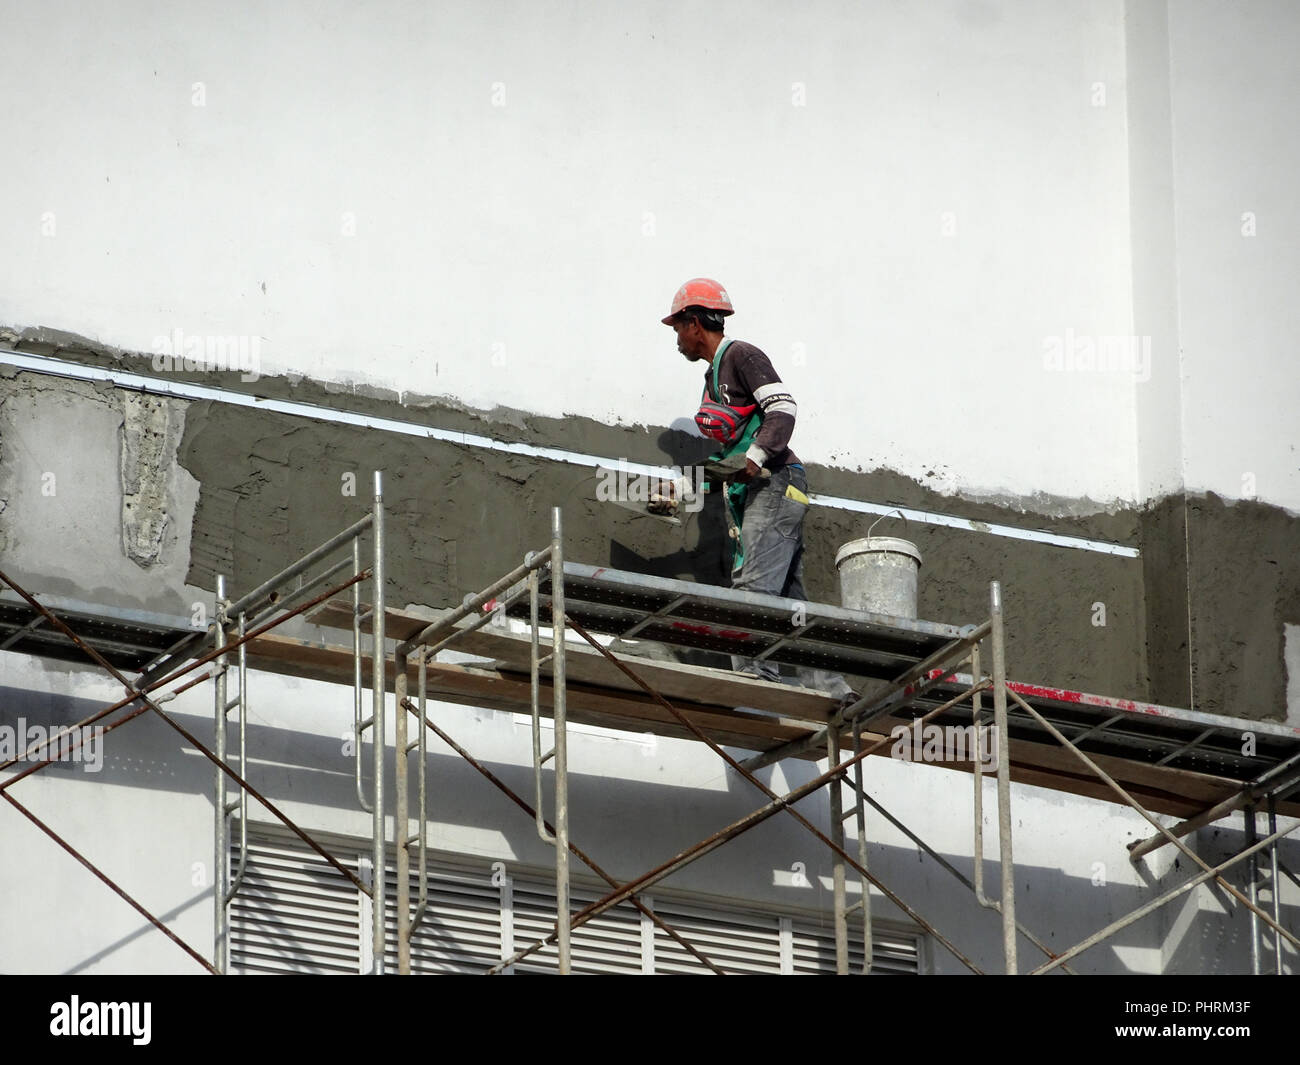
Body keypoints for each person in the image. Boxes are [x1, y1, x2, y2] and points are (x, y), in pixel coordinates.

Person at [662, 278, 855, 705]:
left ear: (695, 323)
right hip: (770, 489)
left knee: (751, 587)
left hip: (777, 483)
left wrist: (756, 457)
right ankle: (832, 689)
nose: (676, 337)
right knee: (789, 598)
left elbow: (783, 408)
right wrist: (680, 490)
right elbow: (728, 463)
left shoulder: (741, 356)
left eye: (677, 327)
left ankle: (755, 680)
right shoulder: (712, 381)